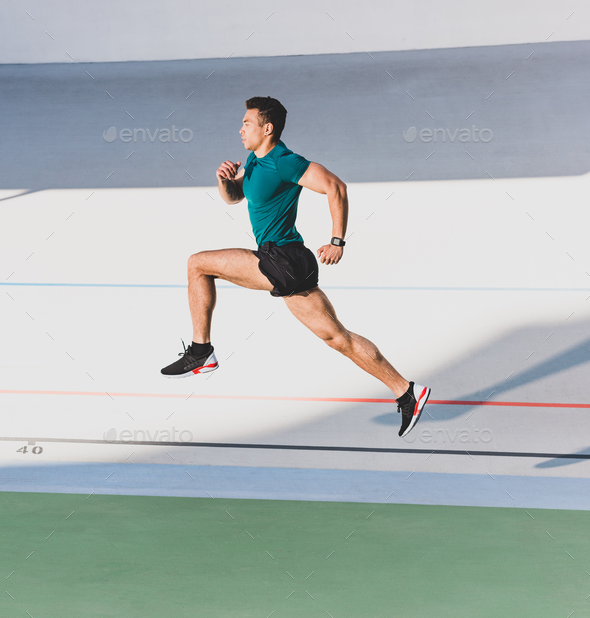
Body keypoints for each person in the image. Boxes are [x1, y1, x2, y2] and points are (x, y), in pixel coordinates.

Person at [161, 96, 430, 437]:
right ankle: (407, 392)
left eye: (247, 123)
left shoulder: (284, 161)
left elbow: (336, 187)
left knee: (197, 264)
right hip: (286, 263)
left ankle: (202, 351)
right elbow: (236, 198)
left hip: (281, 259)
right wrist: (225, 180)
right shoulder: (255, 161)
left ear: (267, 128)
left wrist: (337, 241)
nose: (240, 128)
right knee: (338, 338)